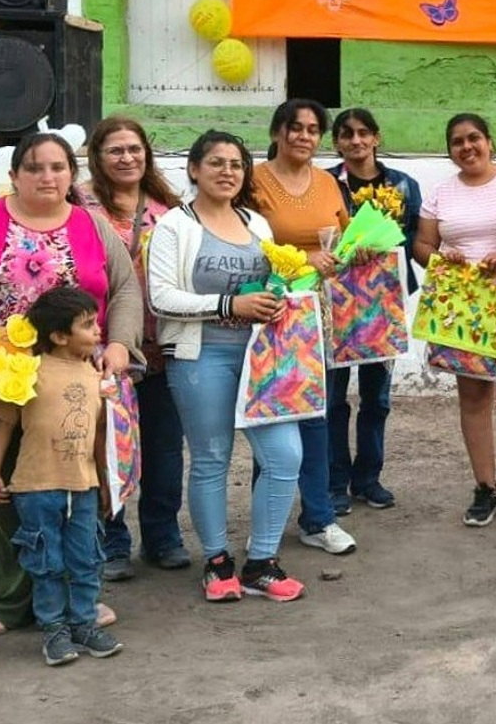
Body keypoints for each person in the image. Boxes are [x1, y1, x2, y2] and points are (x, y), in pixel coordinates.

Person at [0, 131, 142, 638]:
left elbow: (126, 285)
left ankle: (79, 595)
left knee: (80, 484)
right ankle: (13, 598)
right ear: (14, 175)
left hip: (79, 380)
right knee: (14, 489)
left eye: (58, 168)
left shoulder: (91, 223)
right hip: (3, 380)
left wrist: (120, 345)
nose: (47, 177)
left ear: (72, 174)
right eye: (35, 168)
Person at [149, 130, 307, 604]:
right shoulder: (175, 226)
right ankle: (217, 562)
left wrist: (278, 302)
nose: (226, 172)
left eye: (236, 164)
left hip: (263, 360)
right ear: (194, 169)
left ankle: (262, 561)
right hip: (202, 357)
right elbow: (161, 297)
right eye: (215, 162)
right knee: (212, 459)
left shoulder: (257, 224)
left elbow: (271, 283)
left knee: (284, 458)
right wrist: (229, 304)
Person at [411, 113, 496, 530]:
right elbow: (422, 245)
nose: (466, 148)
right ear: (449, 150)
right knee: (473, 400)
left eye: (474, 139)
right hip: (464, 307)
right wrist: (440, 258)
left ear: (489, 141)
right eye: (457, 142)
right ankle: (485, 488)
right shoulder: (440, 193)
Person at [0, 287, 125, 665]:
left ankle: (84, 624)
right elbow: (4, 423)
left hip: (82, 488)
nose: (98, 331)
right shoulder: (29, 371)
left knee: (86, 559)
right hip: (35, 487)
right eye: (88, 325)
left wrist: (105, 482)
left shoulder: (96, 374)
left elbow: (99, 434)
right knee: (46, 564)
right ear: (59, 336)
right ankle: (54, 632)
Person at [78, 117, 189, 580]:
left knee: (165, 447)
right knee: (105, 447)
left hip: (162, 347)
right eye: (116, 151)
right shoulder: (78, 204)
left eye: (135, 149)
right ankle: (111, 541)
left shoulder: (171, 208)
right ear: (98, 157)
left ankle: (162, 537)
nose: (127, 158)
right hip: (100, 351)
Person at [247, 98, 357, 555]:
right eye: (295, 127)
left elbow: (346, 237)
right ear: (278, 132)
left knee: (317, 415)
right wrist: (302, 259)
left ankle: (318, 517)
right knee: (271, 417)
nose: (304, 136)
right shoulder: (253, 181)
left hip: (320, 313)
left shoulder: (330, 182)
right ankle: (266, 521)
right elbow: (245, 243)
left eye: (313, 129)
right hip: (271, 311)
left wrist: (348, 254)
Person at [325, 108, 422, 513]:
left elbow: (414, 239)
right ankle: (333, 483)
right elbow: (322, 238)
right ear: (337, 142)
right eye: (347, 134)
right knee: (332, 399)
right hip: (335, 303)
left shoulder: (402, 185)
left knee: (377, 398)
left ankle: (368, 479)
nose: (356, 141)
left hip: (384, 305)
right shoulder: (326, 185)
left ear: (377, 138)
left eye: (364, 133)